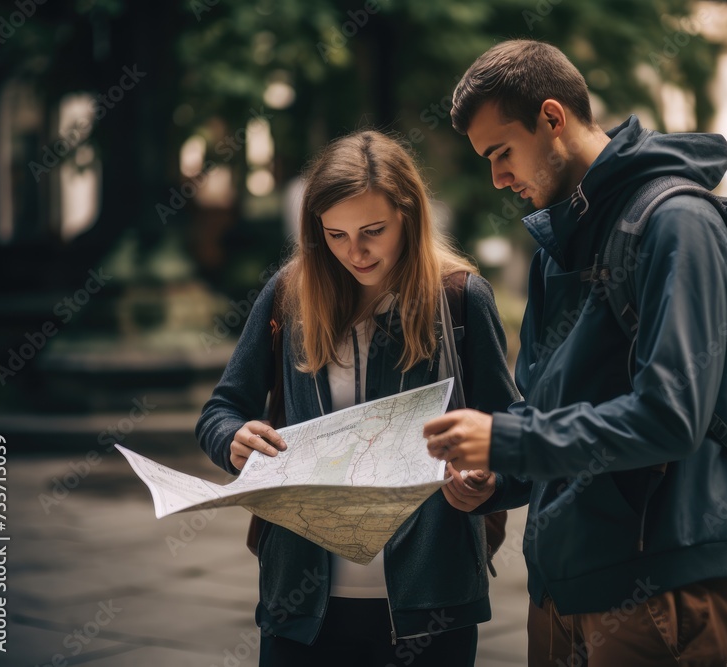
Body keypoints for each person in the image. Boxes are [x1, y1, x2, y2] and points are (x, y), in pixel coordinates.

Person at [423, 40, 727, 666]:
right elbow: (543, 410)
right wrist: (495, 475)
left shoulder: (676, 222)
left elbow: (671, 417)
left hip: (659, 582)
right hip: (561, 584)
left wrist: (506, 441)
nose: (497, 178)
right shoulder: (559, 242)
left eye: (501, 152)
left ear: (553, 118)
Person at [196, 130, 519, 666]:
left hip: (431, 604)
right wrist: (232, 439)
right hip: (301, 604)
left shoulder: (460, 299)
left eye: (373, 231)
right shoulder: (289, 293)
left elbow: (515, 434)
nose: (356, 252)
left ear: (409, 217)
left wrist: (490, 480)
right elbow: (220, 411)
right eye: (336, 234)